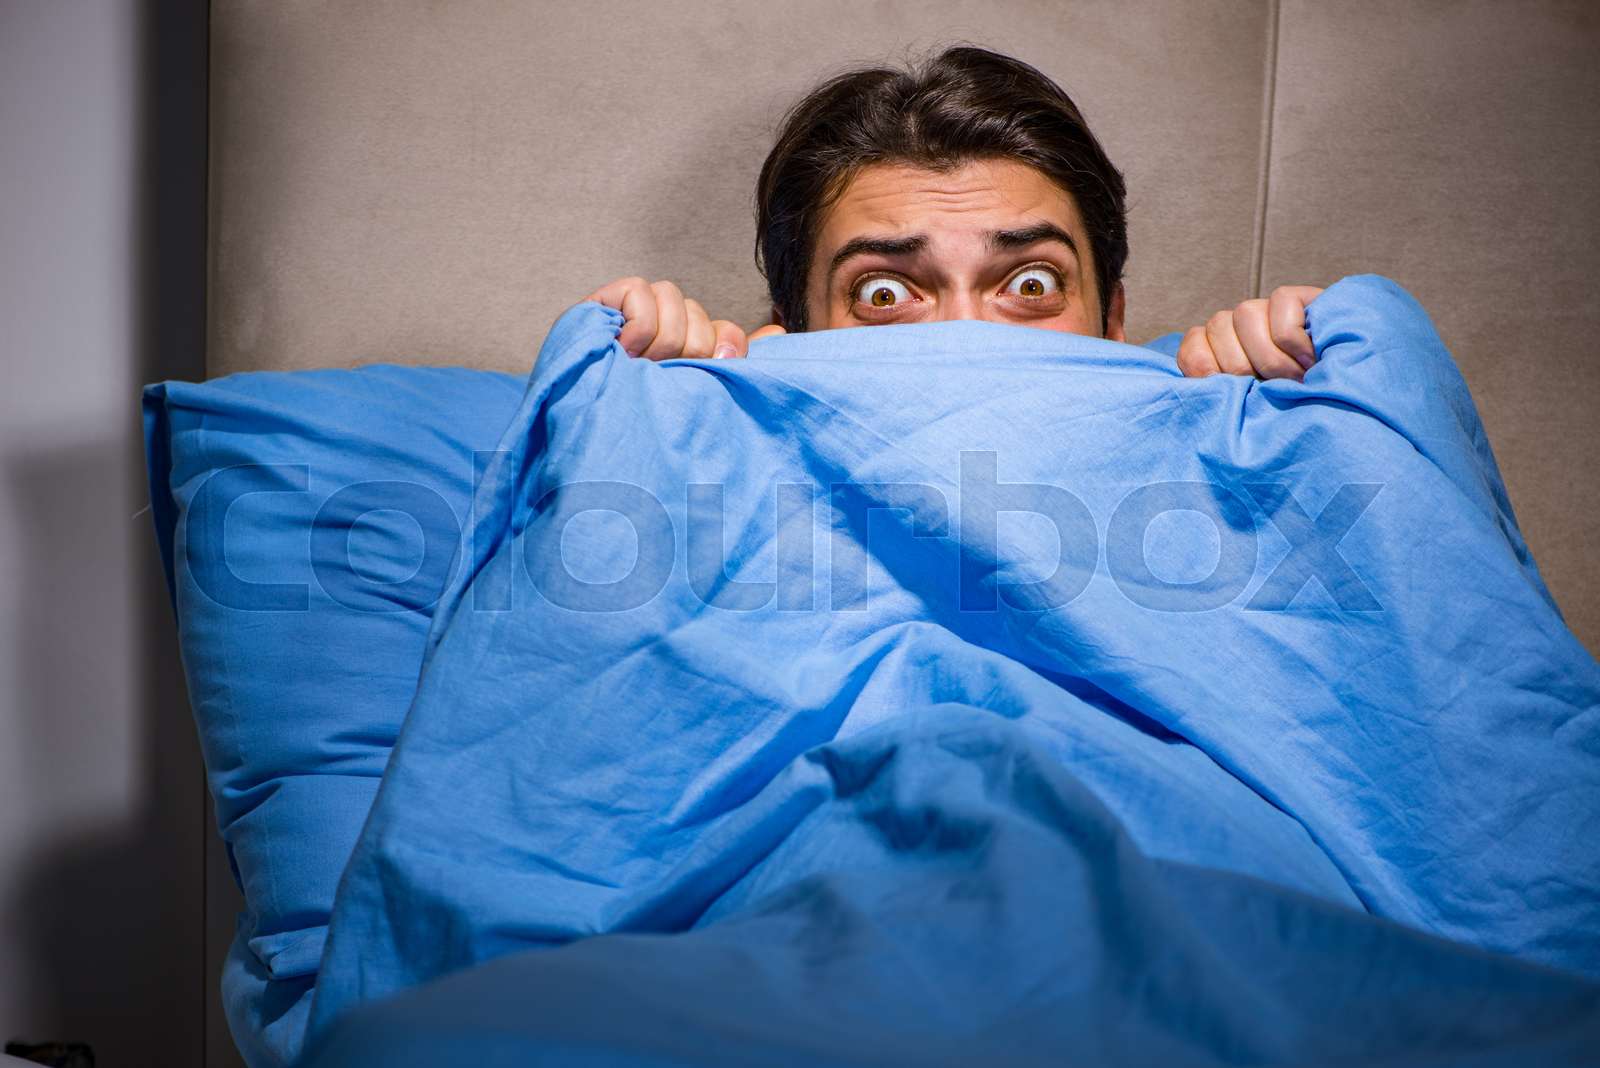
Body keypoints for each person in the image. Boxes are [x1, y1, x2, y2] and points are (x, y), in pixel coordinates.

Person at [584, 44, 1323, 381]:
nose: (967, 338)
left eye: (1031, 284)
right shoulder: (695, 461)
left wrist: (1321, 370)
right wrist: (644, 408)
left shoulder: (1230, 416)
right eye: (883, 293)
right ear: (791, 331)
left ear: (1113, 321)